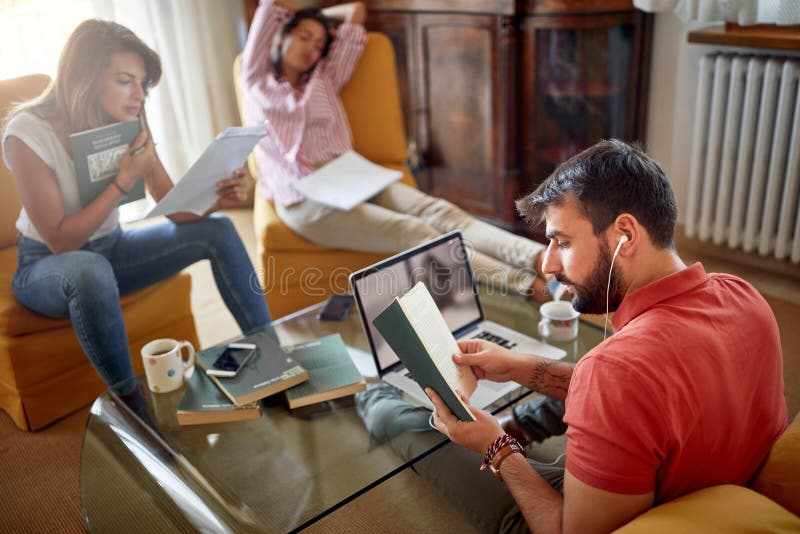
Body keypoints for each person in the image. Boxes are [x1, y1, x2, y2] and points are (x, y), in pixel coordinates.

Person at [356, 139, 787, 532]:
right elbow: (641, 399)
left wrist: (497, 446)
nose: (547, 265)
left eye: (561, 241)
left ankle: (362, 391)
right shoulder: (744, 296)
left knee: (401, 420)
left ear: (625, 235)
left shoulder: (616, 371)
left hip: (605, 518)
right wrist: (521, 369)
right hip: (686, 495)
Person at [2, 20, 271, 396]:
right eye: (125, 81)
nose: (138, 95)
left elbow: (174, 208)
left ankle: (273, 358)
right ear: (87, 77)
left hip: (112, 248)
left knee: (221, 229)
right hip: (45, 267)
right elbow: (62, 241)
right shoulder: (27, 132)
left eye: (142, 85)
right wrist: (123, 180)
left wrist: (217, 196)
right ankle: (133, 410)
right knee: (89, 269)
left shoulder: (129, 118)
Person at [239, 0, 552, 299]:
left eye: (320, 44)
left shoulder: (324, 78)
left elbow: (355, 12)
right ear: (281, 36)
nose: (312, 48)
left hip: (349, 176)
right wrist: (302, 15)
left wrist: (317, 21)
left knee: (439, 211)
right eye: (304, 37)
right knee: (413, 230)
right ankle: (527, 287)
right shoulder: (255, 80)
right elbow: (269, 7)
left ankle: (537, 258)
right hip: (303, 199)